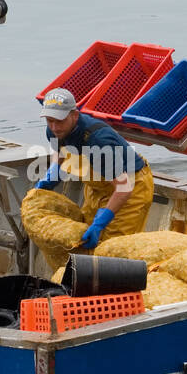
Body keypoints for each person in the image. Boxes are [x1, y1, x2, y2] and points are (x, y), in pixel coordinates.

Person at [33, 87, 155, 266]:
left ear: (74, 115)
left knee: (113, 251)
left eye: (59, 121)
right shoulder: (53, 131)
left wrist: (101, 222)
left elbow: (124, 187)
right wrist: (50, 178)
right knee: (83, 242)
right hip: (98, 187)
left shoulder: (97, 140)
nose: (54, 127)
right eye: (50, 121)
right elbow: (59, 154)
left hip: (130, 187)